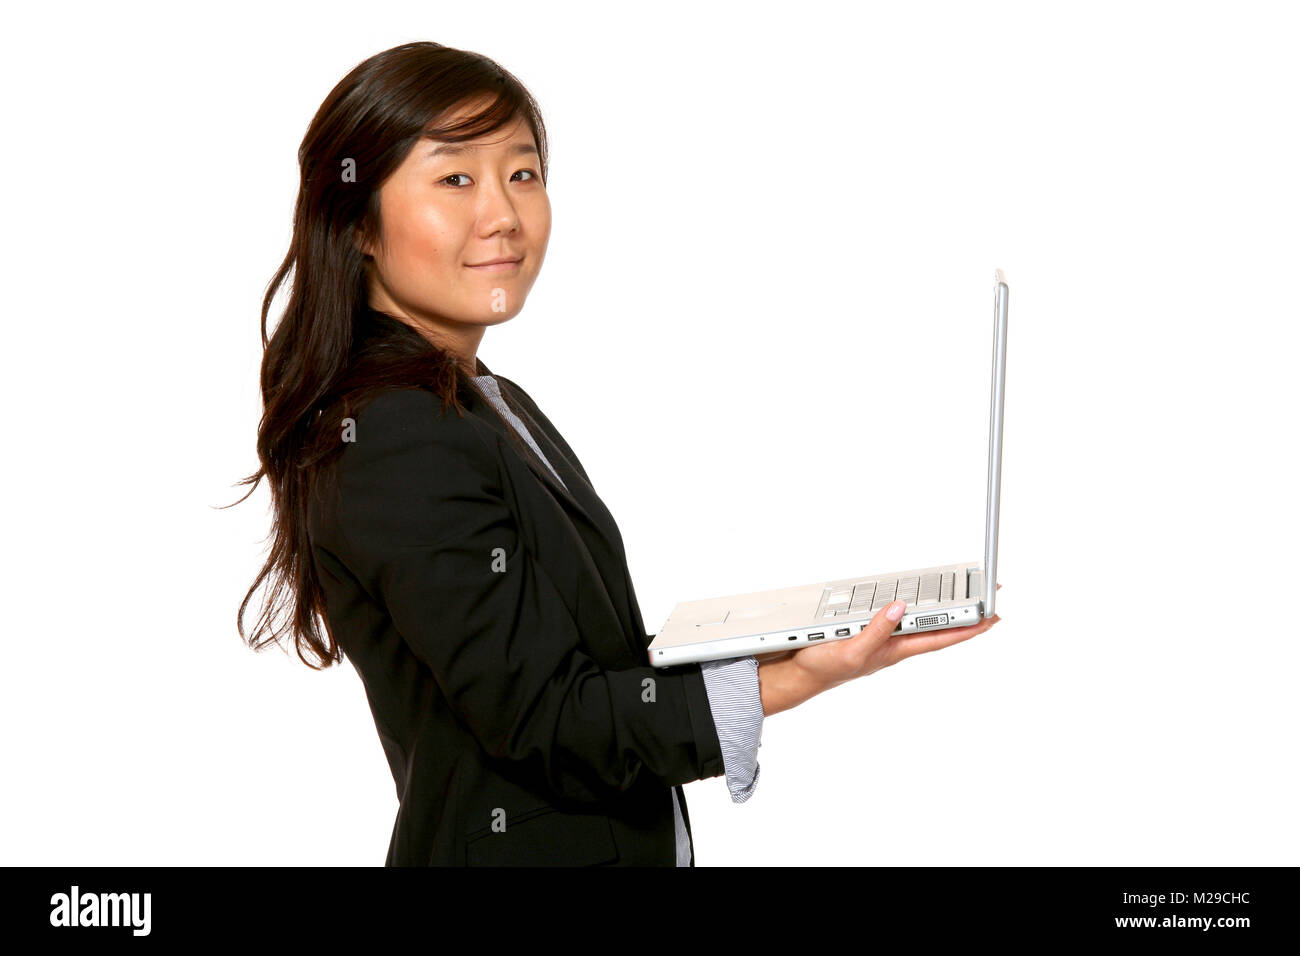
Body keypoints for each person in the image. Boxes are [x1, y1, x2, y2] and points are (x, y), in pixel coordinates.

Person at [235, 41, 1000, 866]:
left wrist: (778, 641)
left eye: (522, 174)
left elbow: (569, 667)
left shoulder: (482, 401)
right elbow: (547, 721)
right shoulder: (396, 434)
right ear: (357, 227)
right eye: (455, 178)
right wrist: (803, 677)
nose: (503, 214)